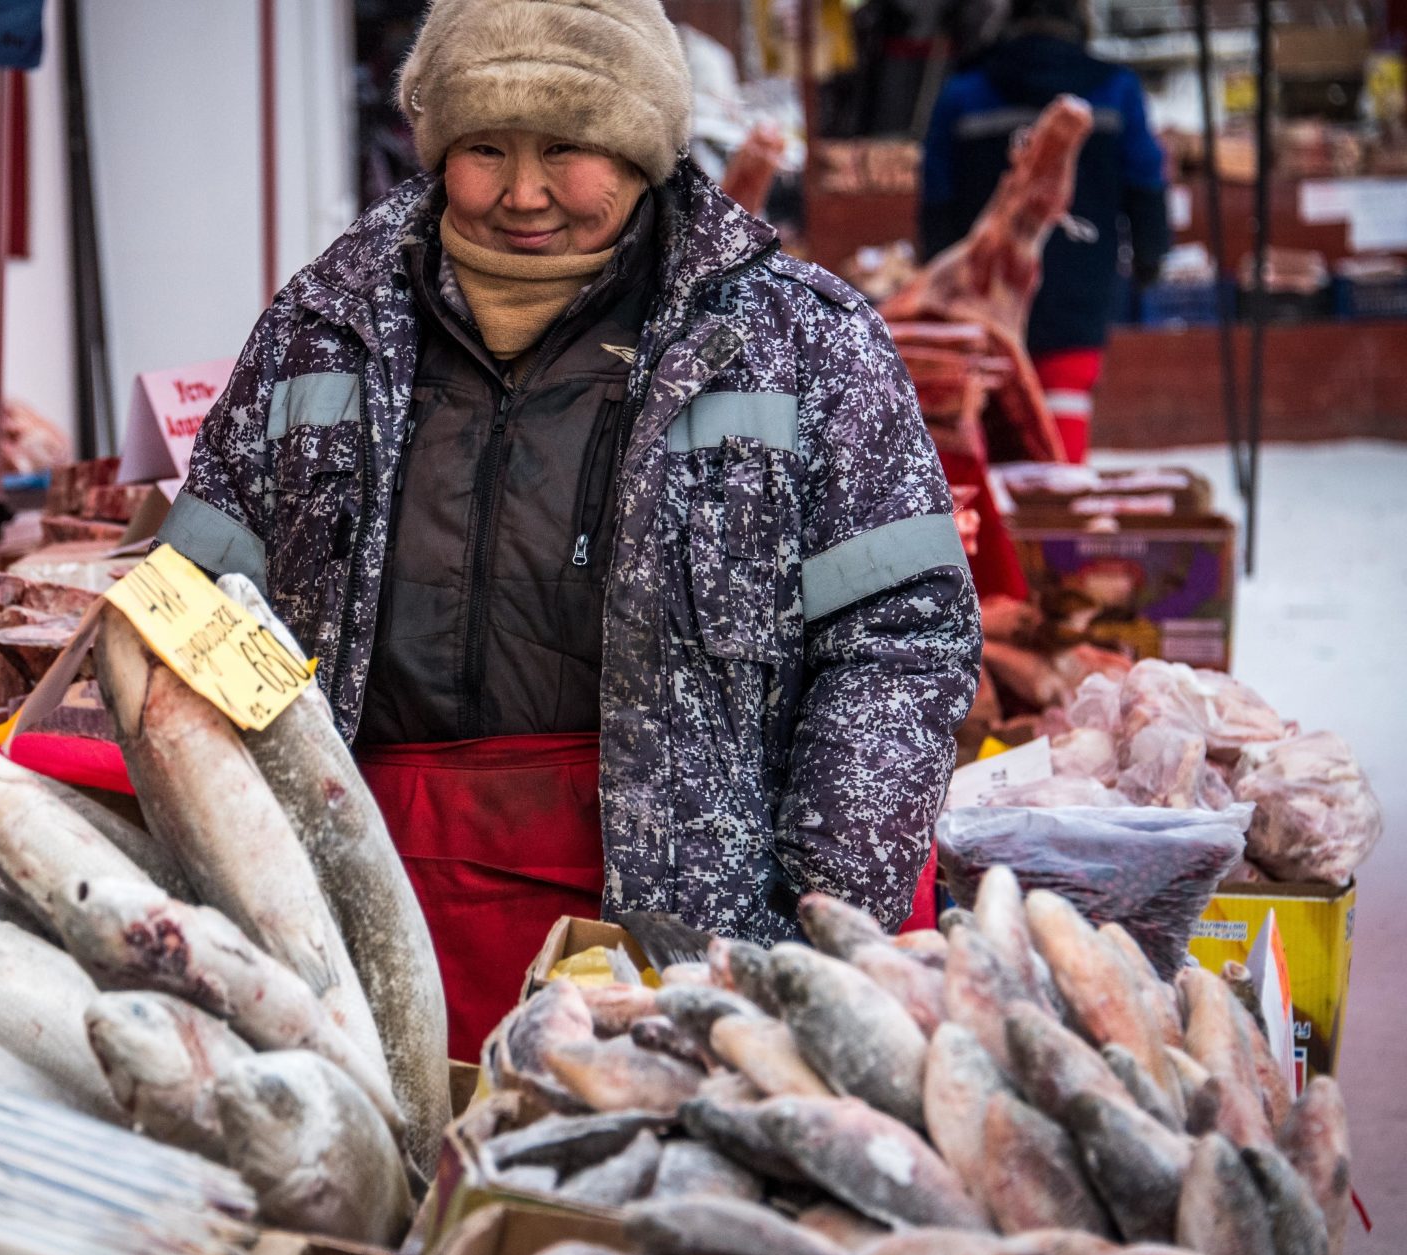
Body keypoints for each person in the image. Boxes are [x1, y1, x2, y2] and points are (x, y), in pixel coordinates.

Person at [163, 0, 981, 1057]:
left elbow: (900, 637)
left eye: (568, 149)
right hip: (353, 921)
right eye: (485, 149)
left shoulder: (797, 341)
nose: (523, 193)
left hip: (689, 948)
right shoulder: (322, 326)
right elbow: (193, 611)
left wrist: (828, 913)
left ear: (644, 149)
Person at [919, 0, 1170, 464]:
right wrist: (1151, 255)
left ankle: (998, 531)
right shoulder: (1116, 89)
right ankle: (1058, 522)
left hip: (983, 292)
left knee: (985, 425)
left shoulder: (963, 93)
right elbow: (1146, 180)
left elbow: (936, 194)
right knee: (1062, 425)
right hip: (1082, 286)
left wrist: (939, 270)